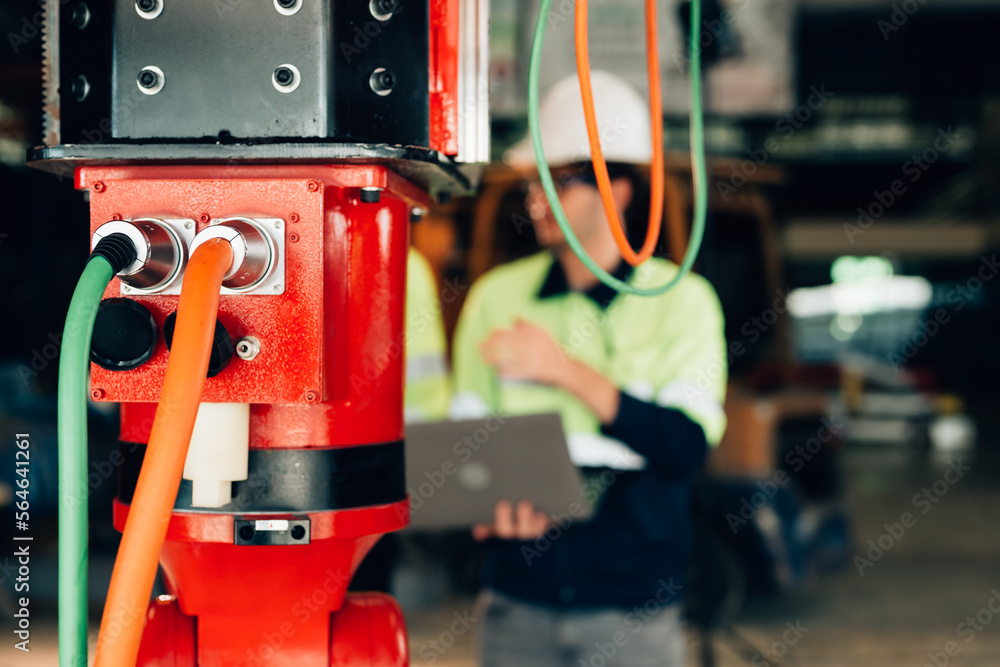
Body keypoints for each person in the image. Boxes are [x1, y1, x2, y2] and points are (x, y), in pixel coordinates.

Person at [449, 71, 728, 667]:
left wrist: (565, 372)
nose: (536, 200)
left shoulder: (682, 301)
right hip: (516, 602)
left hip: (634, 609)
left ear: (618, 189)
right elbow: (463, 449)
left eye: (560, 182)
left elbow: (684, 446)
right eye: (533, 184)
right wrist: (484, 505)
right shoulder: (498, 298)